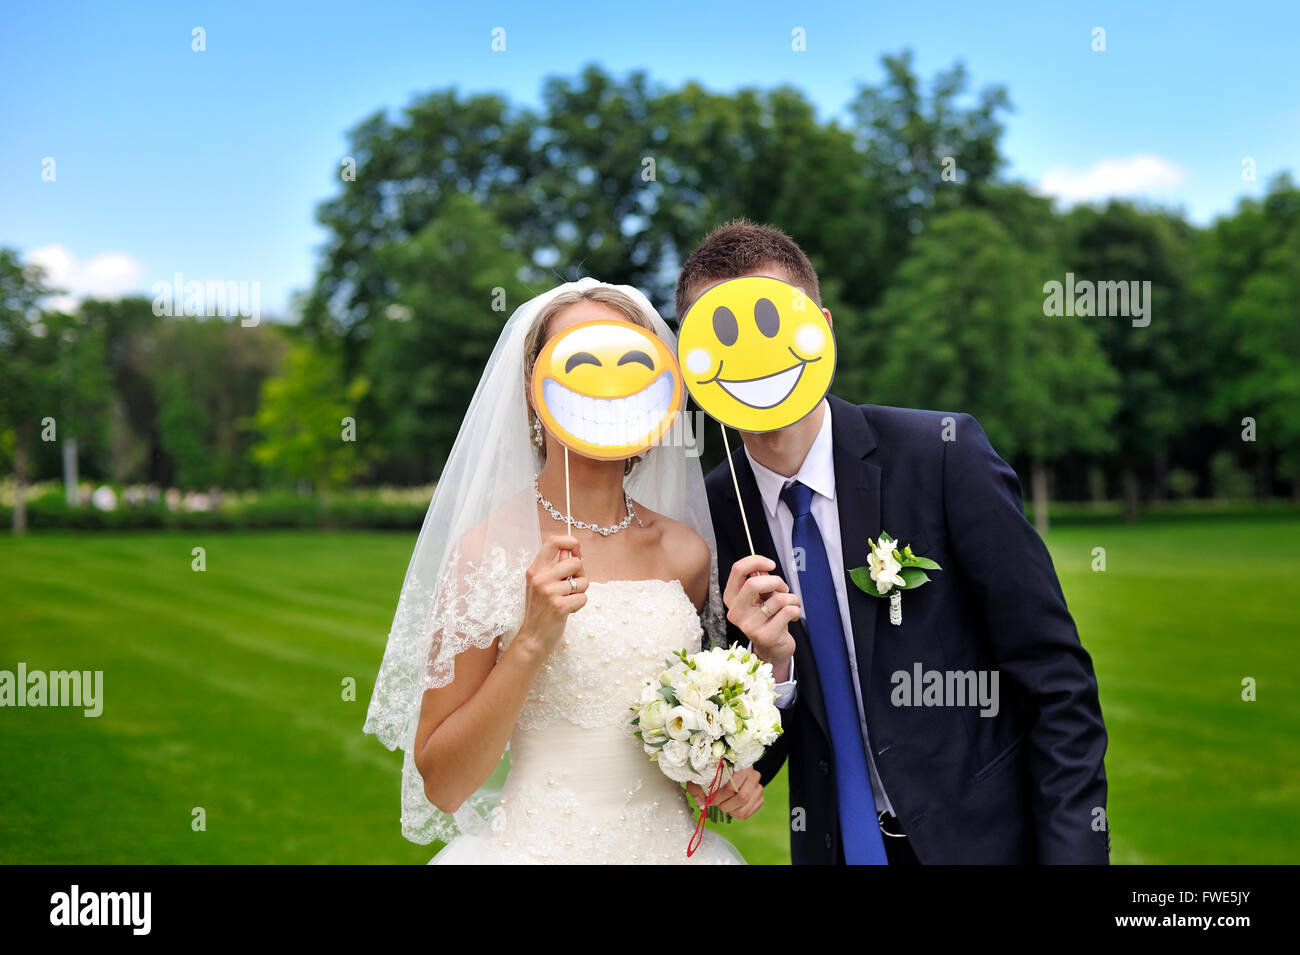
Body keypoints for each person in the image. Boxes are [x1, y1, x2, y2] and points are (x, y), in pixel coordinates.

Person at [679, 220, 1109, 865]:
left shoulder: (942, 456)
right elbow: (755, 757)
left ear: (821, 328)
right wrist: (773, 672)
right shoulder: (710, 514)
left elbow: (1056, 682)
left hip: (984, 843)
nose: (752, 358)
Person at [364, 277, 760, 864]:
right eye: (580, 359)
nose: (605, 380)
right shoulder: (483, 554)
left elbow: (682, 743)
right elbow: (443, 785)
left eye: (629, 360)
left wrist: (720, 773)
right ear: (533, 388)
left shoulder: (687, 553)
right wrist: (529, 643)